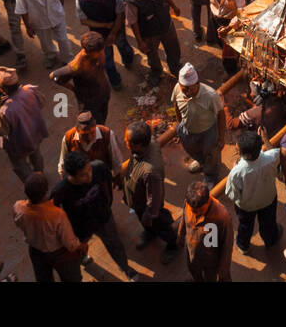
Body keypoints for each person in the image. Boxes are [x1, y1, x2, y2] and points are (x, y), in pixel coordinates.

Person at [52, 151, 138, 281]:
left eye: (89, 170)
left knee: (115, 244)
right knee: (78, 249)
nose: (89, 176)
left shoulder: (99, 167)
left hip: (103, 217)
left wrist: (106, 204)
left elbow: (108, 183)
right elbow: (54, 213)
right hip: (80, 227)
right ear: (71, 176)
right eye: (83, 175)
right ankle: (82, 259)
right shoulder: (60, 190)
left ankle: (125, 268)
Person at [122, 120, 179, 263]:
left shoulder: (150, 171)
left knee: (162, 225)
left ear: (139, 145)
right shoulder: (149, 143)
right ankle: (150, 233)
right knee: (147, 223)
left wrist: (149, 216)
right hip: (138, 201)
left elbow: (154, 199)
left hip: (149, 208)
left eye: (127, 140)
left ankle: (173, 245)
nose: (124, 141)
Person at [13, 172, 85, 283]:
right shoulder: (56, 214)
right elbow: (70, 244)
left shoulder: (18, 207)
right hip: (60, 254)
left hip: (36, 251)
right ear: (46, 192)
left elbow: (17, 223)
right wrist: (80, 246)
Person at [0, 67, 49, 184]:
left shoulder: (6, 110)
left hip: (18, 144)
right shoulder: (30, 90)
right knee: (36, 154)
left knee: (20, 164)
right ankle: (40, 174)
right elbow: (42, 103)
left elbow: (0, 131)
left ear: (2, 89)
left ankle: (34, 184)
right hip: (35, 133)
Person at [225, 129, 283, 254]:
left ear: (247, 155)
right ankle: (271, 240)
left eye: (238, 150)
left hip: (247, 206)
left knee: (245, 226)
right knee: (269, 223)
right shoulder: (271, 157)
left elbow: (233, 194)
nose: (236, 150)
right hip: (268, 200)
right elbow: (274, 151)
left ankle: (243, 245)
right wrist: (265, 139)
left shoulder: (236, 172)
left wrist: (236, 166)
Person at [125, 0, 184, 86]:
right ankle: (156, 72)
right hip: (149, 33)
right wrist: (140, 41)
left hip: (166, 24)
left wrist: (174, 6)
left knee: (173, 48)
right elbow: (133, 22)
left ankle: (175, 67)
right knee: (152, 54)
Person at [172, 62, 226, 182]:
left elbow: (221, 115)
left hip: (208, 132)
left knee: (212, 156)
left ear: (197, 83)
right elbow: (176, 104)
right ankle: (201, 162)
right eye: (184, 88)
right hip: (187, 129)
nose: (187, 91)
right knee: (192, 149)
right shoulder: (177, 89)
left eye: (190, 88)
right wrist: (179, 123)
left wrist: (221, 139)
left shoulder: (210, 95)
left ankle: (210, 177)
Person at [14, 0, 72, 69]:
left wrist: (60, 4)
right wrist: (28, 27)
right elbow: (22, 10)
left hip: (57, 15)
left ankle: (67, 59)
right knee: (46, 43)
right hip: (39, 22)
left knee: (63, 39)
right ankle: (51, 56)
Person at [180, 182, 233, 282]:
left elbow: (227, 245)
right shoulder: (189, 203)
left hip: (211, 259)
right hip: (192, 253)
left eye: (199, 211)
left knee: (210, 278)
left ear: (207, 202)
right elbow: (184, 217)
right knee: (194, 270)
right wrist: (180, 235)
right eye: (193, 211)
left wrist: (223, 269)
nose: (195, 214)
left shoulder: (222, 216)